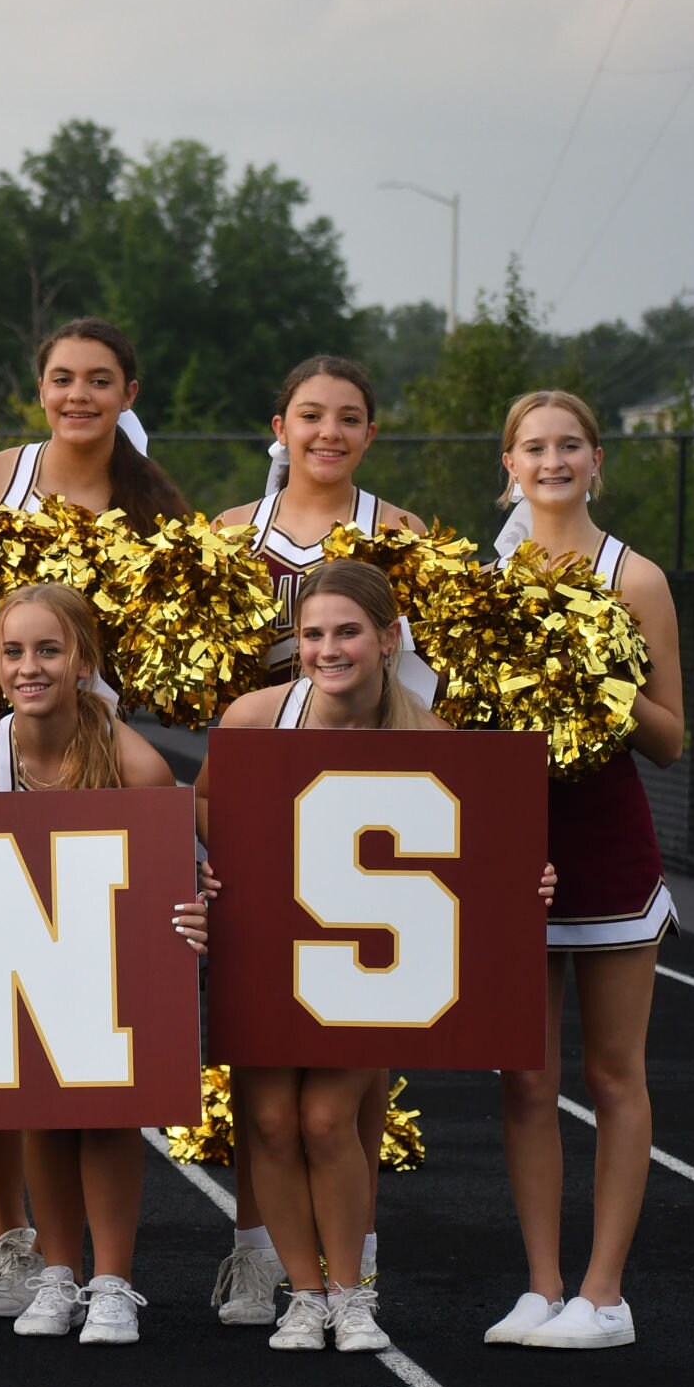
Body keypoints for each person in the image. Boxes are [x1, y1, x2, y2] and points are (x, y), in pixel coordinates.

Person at [0, 318, 191, 1322]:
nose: (79, 394)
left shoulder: (154, 502)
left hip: (96, 756)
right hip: (0, 753)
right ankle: (17, 1246)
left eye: (100, 380)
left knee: (98, 1061)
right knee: (8, 1042)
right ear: (40, 387)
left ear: (127, 393)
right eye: (63, 378)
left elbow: (181, 646)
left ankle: (103, 1273)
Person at [0, 583, 208, 1345]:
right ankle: (58, 1272)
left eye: (48, 650)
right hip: (20, 951)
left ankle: (113, 1281)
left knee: (107, 1114)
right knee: (42, 1112)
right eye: (13, 651)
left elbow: (176, 875)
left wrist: (193, 904)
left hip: (102, 952)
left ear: (83, 661)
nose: (30, 666)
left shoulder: (134, 763)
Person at [201, 355, 429, 1326]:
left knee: (335, 1115)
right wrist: (218, 875)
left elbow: (470, 835)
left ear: (386, 637)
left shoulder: (423, 728)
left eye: (349, 633)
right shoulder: (257, 713)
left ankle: (354, 1280)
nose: (329, 649)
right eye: (314, 635)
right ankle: (291, 1281)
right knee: (265, 1112)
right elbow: (208, 807)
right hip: (269, 914)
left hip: (362, 936)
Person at [488, 391, 683, 1350]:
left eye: (570, 445)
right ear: (510, 465)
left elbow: (674, 739)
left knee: (613, 1076)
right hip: (511, 848)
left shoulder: (635, 577)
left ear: (597, 461)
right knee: (524, 1078)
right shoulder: (483, 581)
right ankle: (540, 1284)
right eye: (536, 446)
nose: (553, 459)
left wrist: (593, 673)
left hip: (606, 844)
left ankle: (605, 1295)